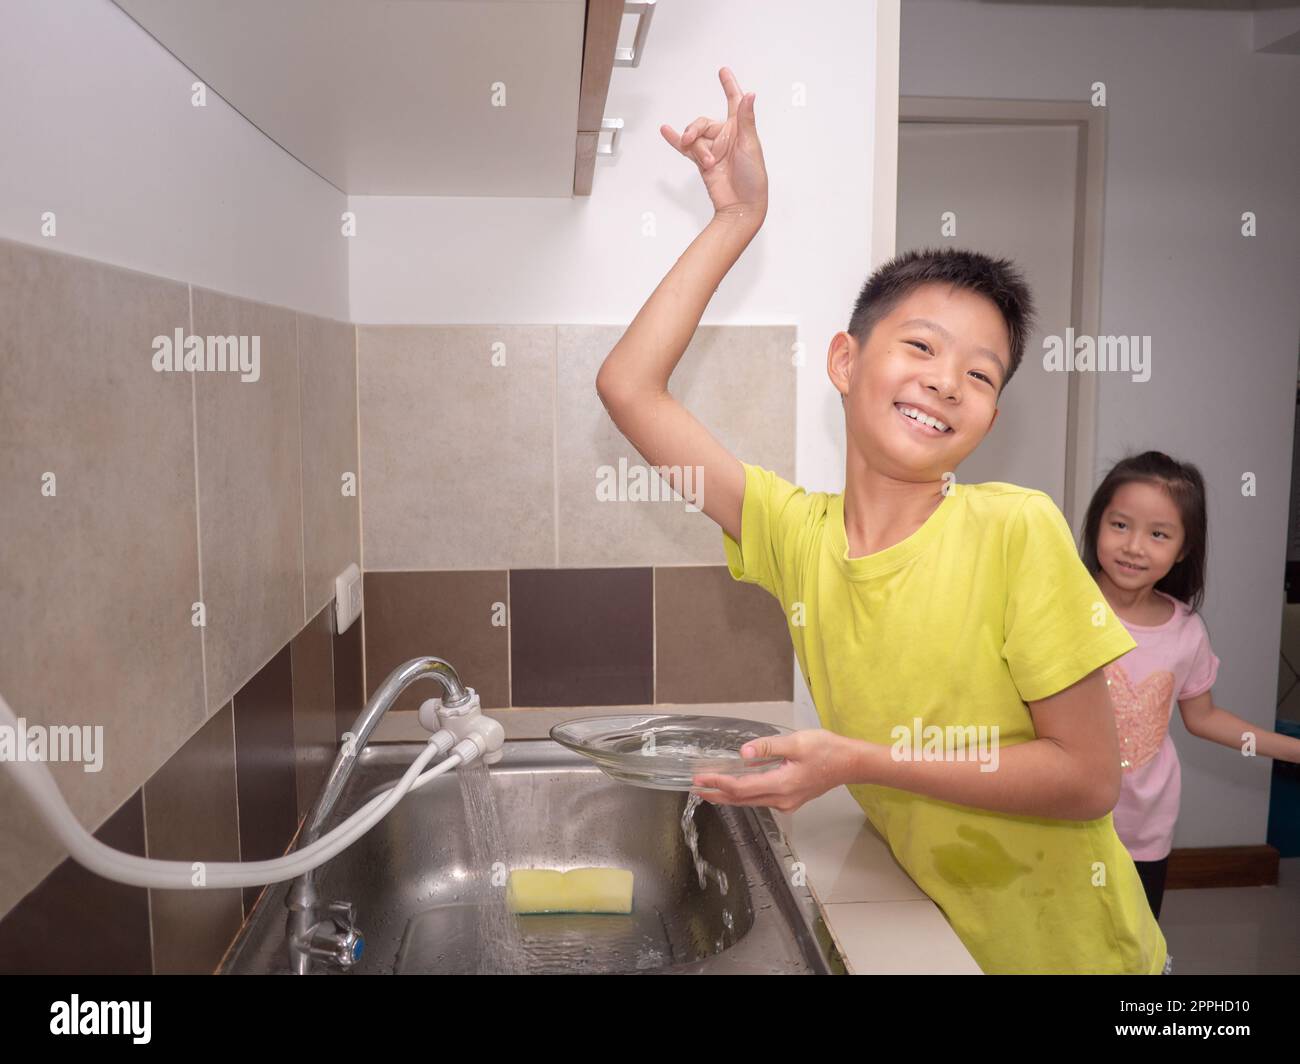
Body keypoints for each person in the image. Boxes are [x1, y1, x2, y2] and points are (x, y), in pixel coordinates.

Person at [596, 67, 1164, 973]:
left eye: (982, 375)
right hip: (937, 932)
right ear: (845, 362)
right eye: (922, 347)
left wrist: (859, 759)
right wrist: (736, 221)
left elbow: (1088, 779)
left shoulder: (1015, 530)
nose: (948, 380)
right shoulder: (794, 534)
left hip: (1076, 954)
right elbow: (628, 387)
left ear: (989, 418)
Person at [1081, 451, 1300, 922]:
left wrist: (1293, 749)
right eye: (1120, 525)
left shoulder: (1186, 631)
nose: (1135, 546)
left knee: (1132, 950)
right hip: (1061, 819)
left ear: (1182, 549)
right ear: (1097, 523)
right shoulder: (1063, 604)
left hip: (1144, 827)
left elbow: (1203, 717)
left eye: (1158, 534)